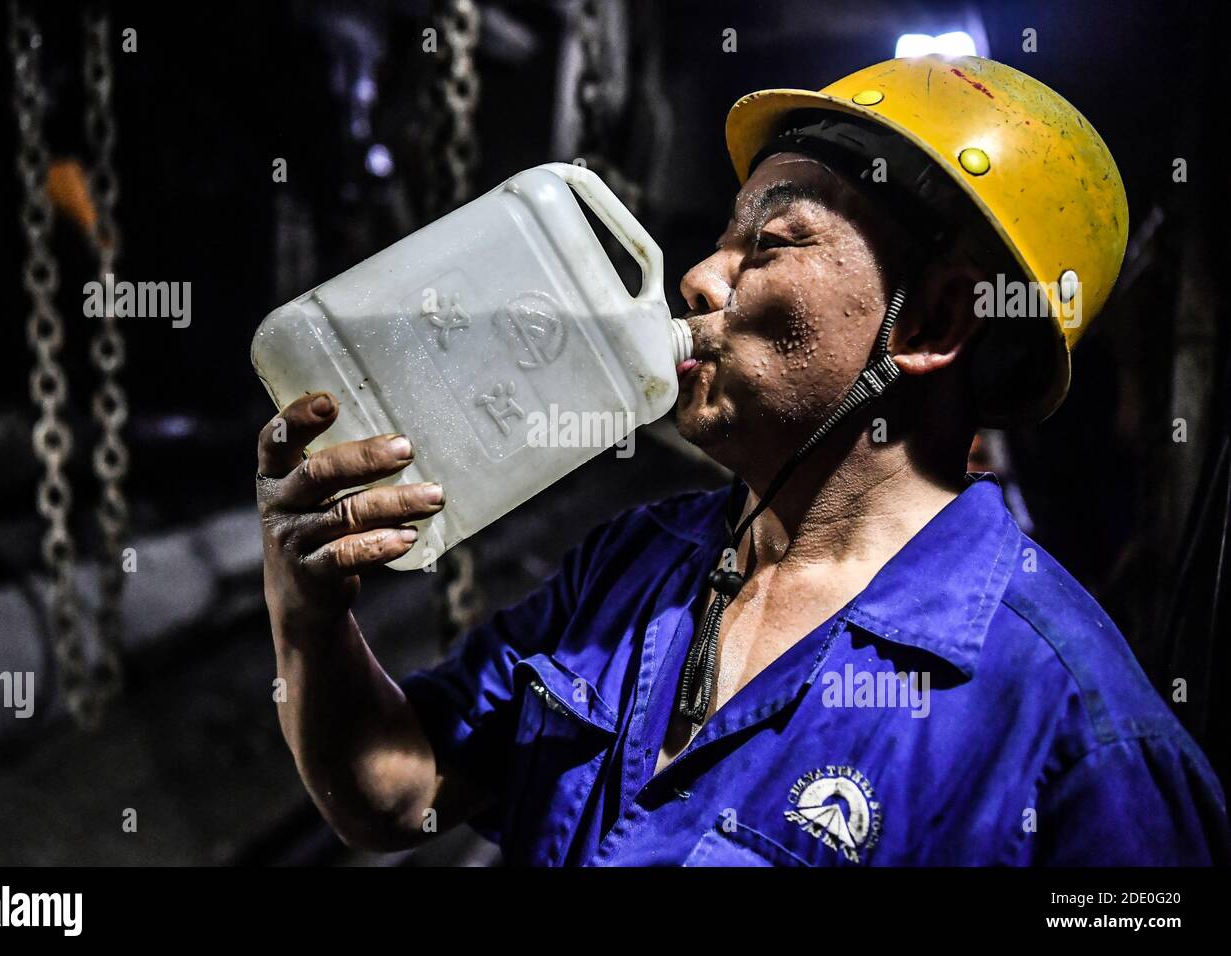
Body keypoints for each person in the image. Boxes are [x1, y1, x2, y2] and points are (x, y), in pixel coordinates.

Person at [255, 55, 1229, 865]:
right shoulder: (635, 563)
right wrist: (308, 617)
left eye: (770, 240)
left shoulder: (1074, 735)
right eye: (723, 237)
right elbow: (398, 792)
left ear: (932, 319)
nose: (698, 275)